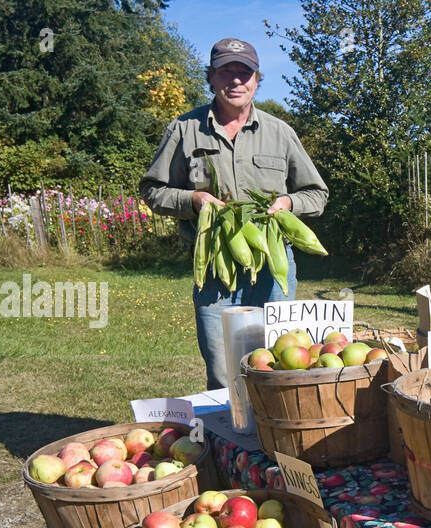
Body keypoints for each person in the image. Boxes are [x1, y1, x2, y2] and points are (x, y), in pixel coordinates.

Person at [140, 37, 328, 390]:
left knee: (281, 366)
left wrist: (287, 204)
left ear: (257, 79)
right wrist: (193, 199)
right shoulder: (183, 130)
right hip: (214, 272)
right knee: (224, 372)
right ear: (211, 77)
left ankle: (274, 441)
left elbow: (316, 194)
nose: (236, 81)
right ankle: (232, 442)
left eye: (245, 73)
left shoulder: (280, 133)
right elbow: (152, 190)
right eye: (226, 72)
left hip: (274, 270)